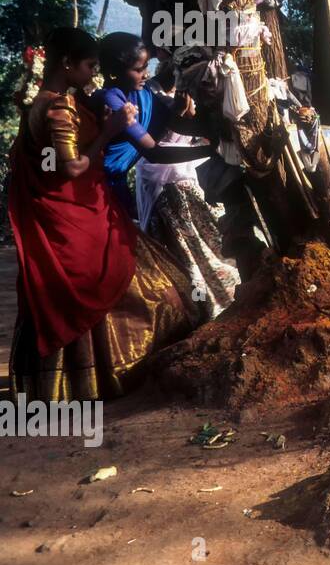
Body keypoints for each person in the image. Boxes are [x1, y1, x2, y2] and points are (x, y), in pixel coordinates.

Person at [6, 28, 201, 400]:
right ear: (67, 64)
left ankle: (82, 381)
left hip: (78, 209)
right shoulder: (58, 108)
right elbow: (71, 169)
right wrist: (109, 130)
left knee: (102, 288)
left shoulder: (52, 101)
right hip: (75, 215)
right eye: (90, 66)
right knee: (125, 285)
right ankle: (117, 374)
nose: (94, 75)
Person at [94, 34, 238, 319]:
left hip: (117, 185)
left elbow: (173, 123)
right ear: (113, 72)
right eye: (138, 69)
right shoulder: (112, 99)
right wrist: (211, 150)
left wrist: (219, 126)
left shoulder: (145, 93)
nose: (145, 73)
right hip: (100, 187)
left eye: (146, 66)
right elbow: (154, 152)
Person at [133, 60, 241, 319]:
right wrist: (180, 114)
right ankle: (194, 306)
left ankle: (226, 294)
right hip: (163, 178)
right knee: (182, 247)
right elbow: (155, 147)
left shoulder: (190, 90)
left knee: (208, 240)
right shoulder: (148, 94)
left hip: (185, 174)